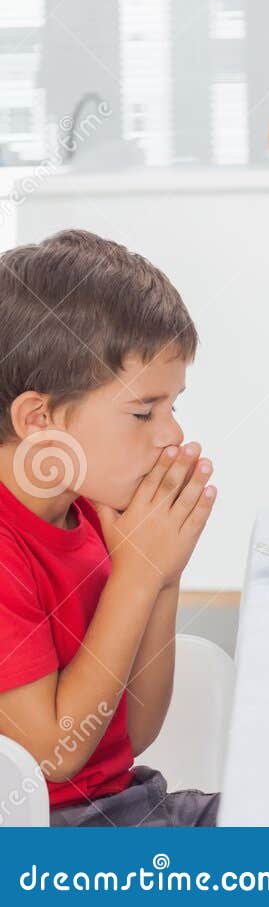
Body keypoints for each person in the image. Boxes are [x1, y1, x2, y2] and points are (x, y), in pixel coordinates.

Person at [0, 230, 219, 826]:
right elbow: (55, 756)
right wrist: (137, 576)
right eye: (143, 411)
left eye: (173, 406)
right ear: (39, 418)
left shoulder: (93, 512)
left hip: (126, 808)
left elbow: (134, 731)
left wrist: (163, 576)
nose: (171, 434)